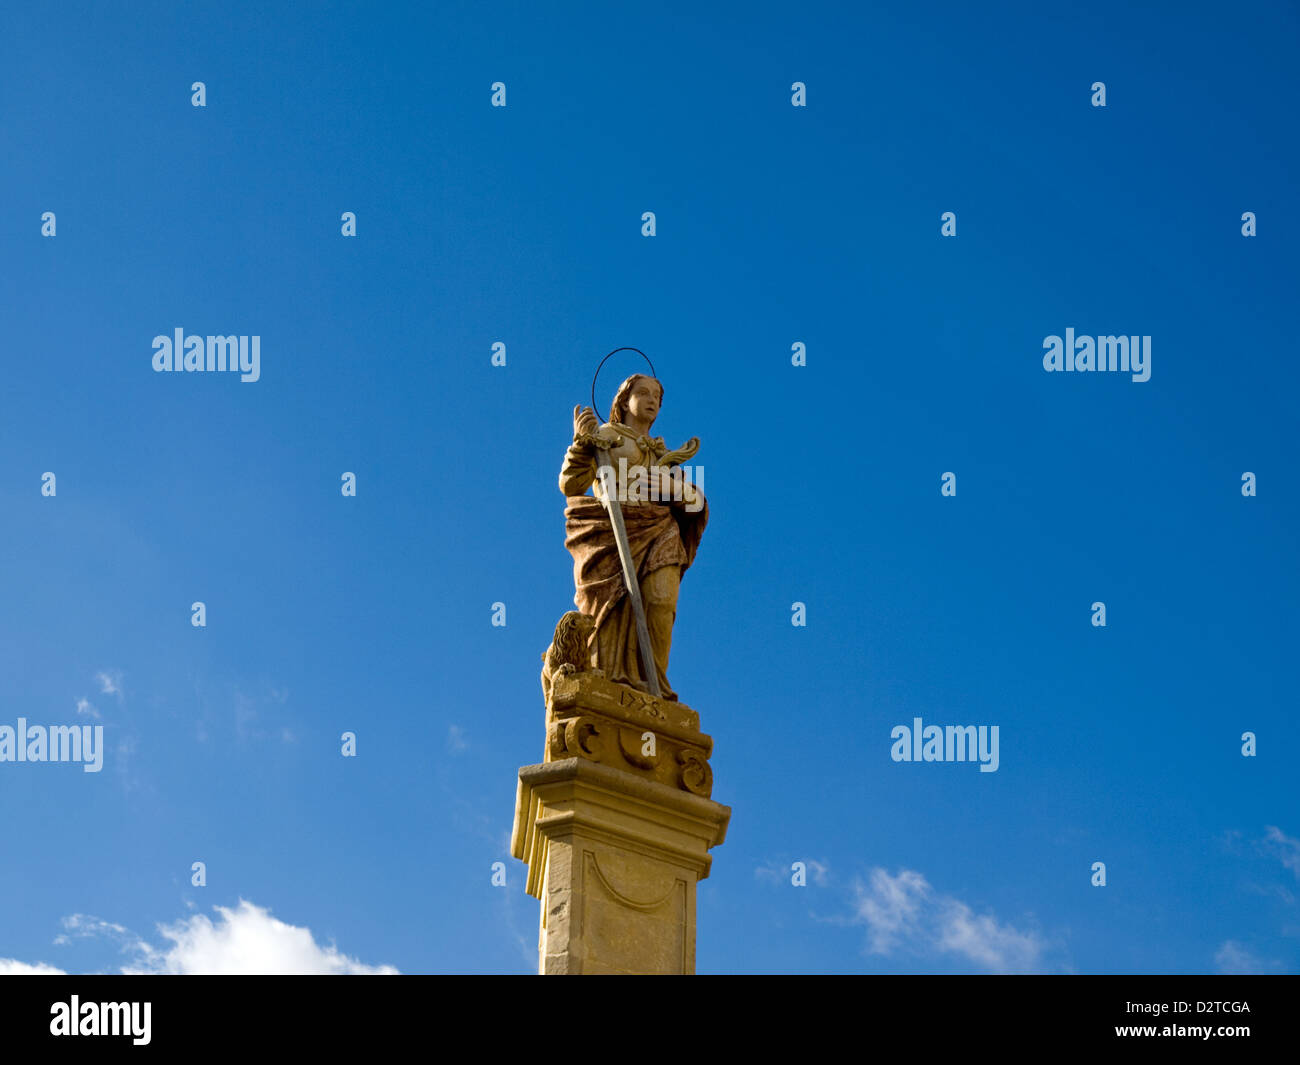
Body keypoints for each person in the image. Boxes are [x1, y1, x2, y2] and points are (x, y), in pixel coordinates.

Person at [558, 374, 707, 701]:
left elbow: (696, 501)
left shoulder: (664, 453)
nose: (652, 401)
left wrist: (676, 489)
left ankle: (653, 687)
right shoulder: (605, 437)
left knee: (661, 601)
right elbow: (571, 485)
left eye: (658, 397)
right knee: (609, 610)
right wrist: (581, 444)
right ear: (625, 400)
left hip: (659, 530)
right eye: (644, 393)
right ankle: (611, 683)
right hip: (612, 533)